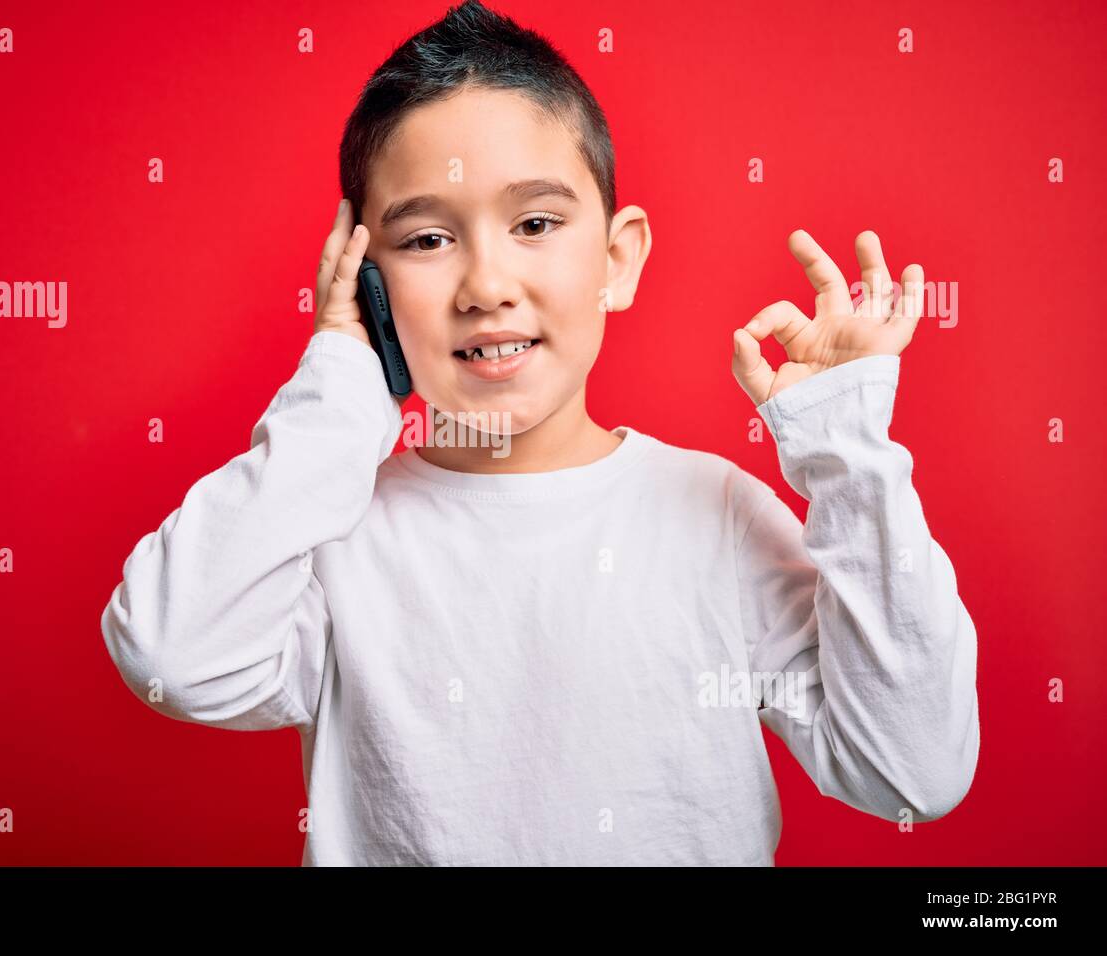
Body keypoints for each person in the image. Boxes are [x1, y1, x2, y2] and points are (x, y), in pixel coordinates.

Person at [100, 0, 979, 865]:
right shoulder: (332, 537)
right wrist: (339, 387)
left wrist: (848, 458)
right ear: (363, 284)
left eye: (535, 224)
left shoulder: (715, 514)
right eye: (428, 238)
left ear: (618, 259)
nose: (486, 284)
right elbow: (174, 657)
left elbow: (911, 772)